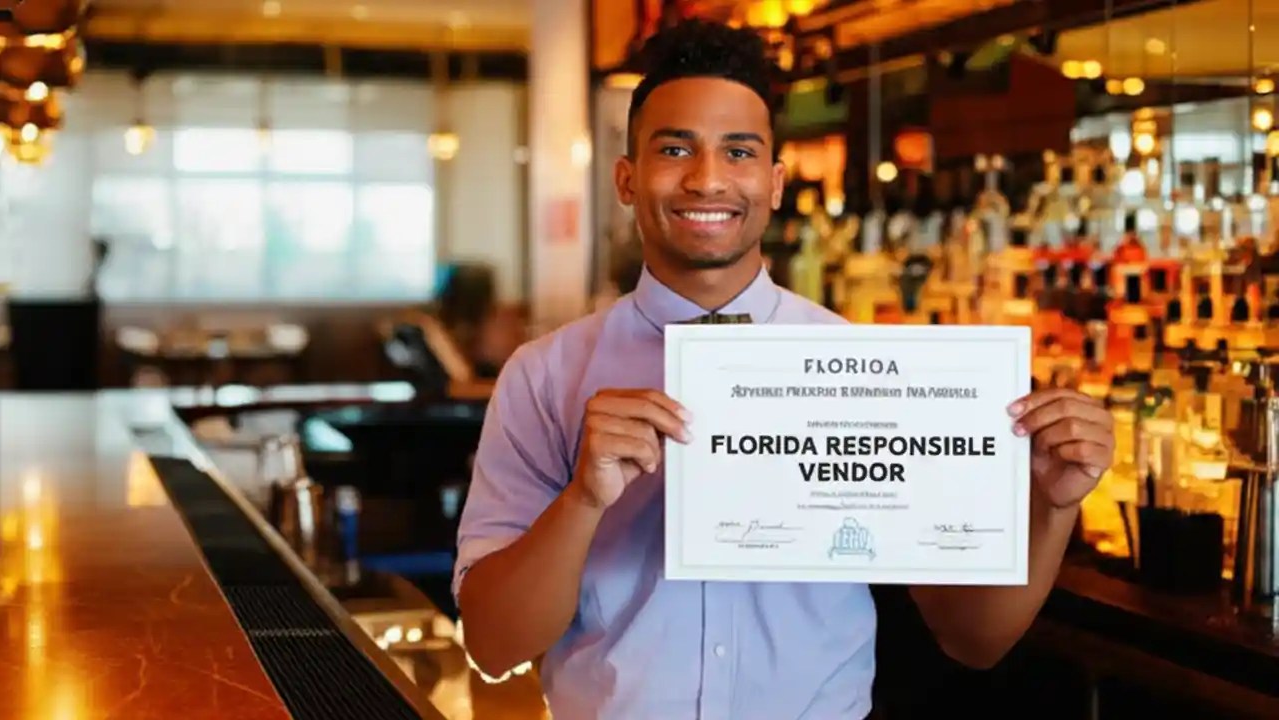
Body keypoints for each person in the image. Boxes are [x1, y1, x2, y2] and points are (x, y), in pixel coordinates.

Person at [453, 18, 1115, 720]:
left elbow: (973, 639)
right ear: (627, 177)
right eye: (675, 148)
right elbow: (494, 647)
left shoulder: (869, 371)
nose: (707, 179)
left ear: (773, 184)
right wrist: (583, 500)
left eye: (738, 152)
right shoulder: (544, 376)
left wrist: (1052, 504)